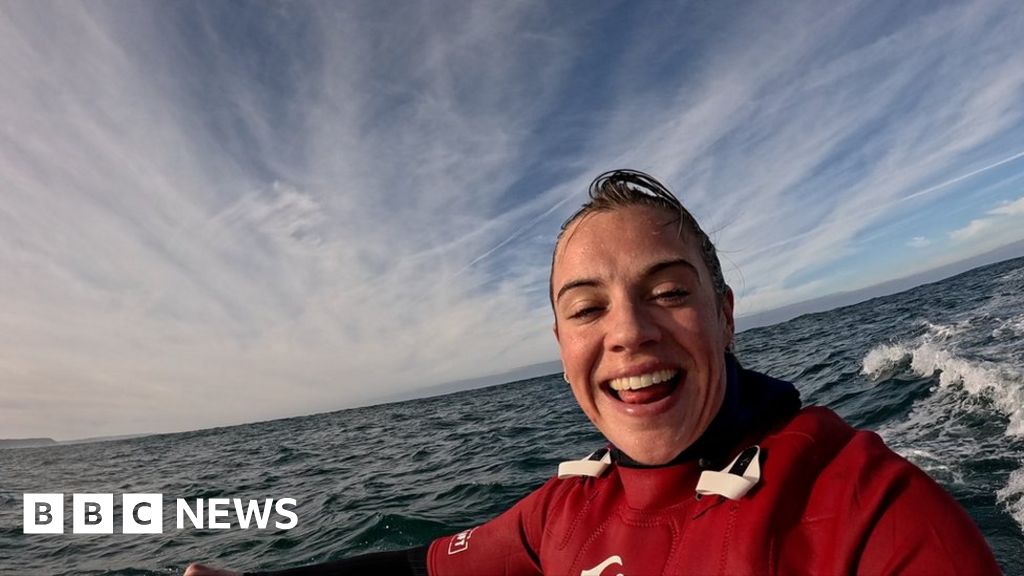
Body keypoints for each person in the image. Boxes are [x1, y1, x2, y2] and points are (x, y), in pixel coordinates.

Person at [185, 170, 1000, 576]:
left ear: (725, 314)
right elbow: (422, 566)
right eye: (586, 308)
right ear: (561, 343)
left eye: (669, 293)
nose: (629, 333)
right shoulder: (560, 513)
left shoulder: (873, 517)